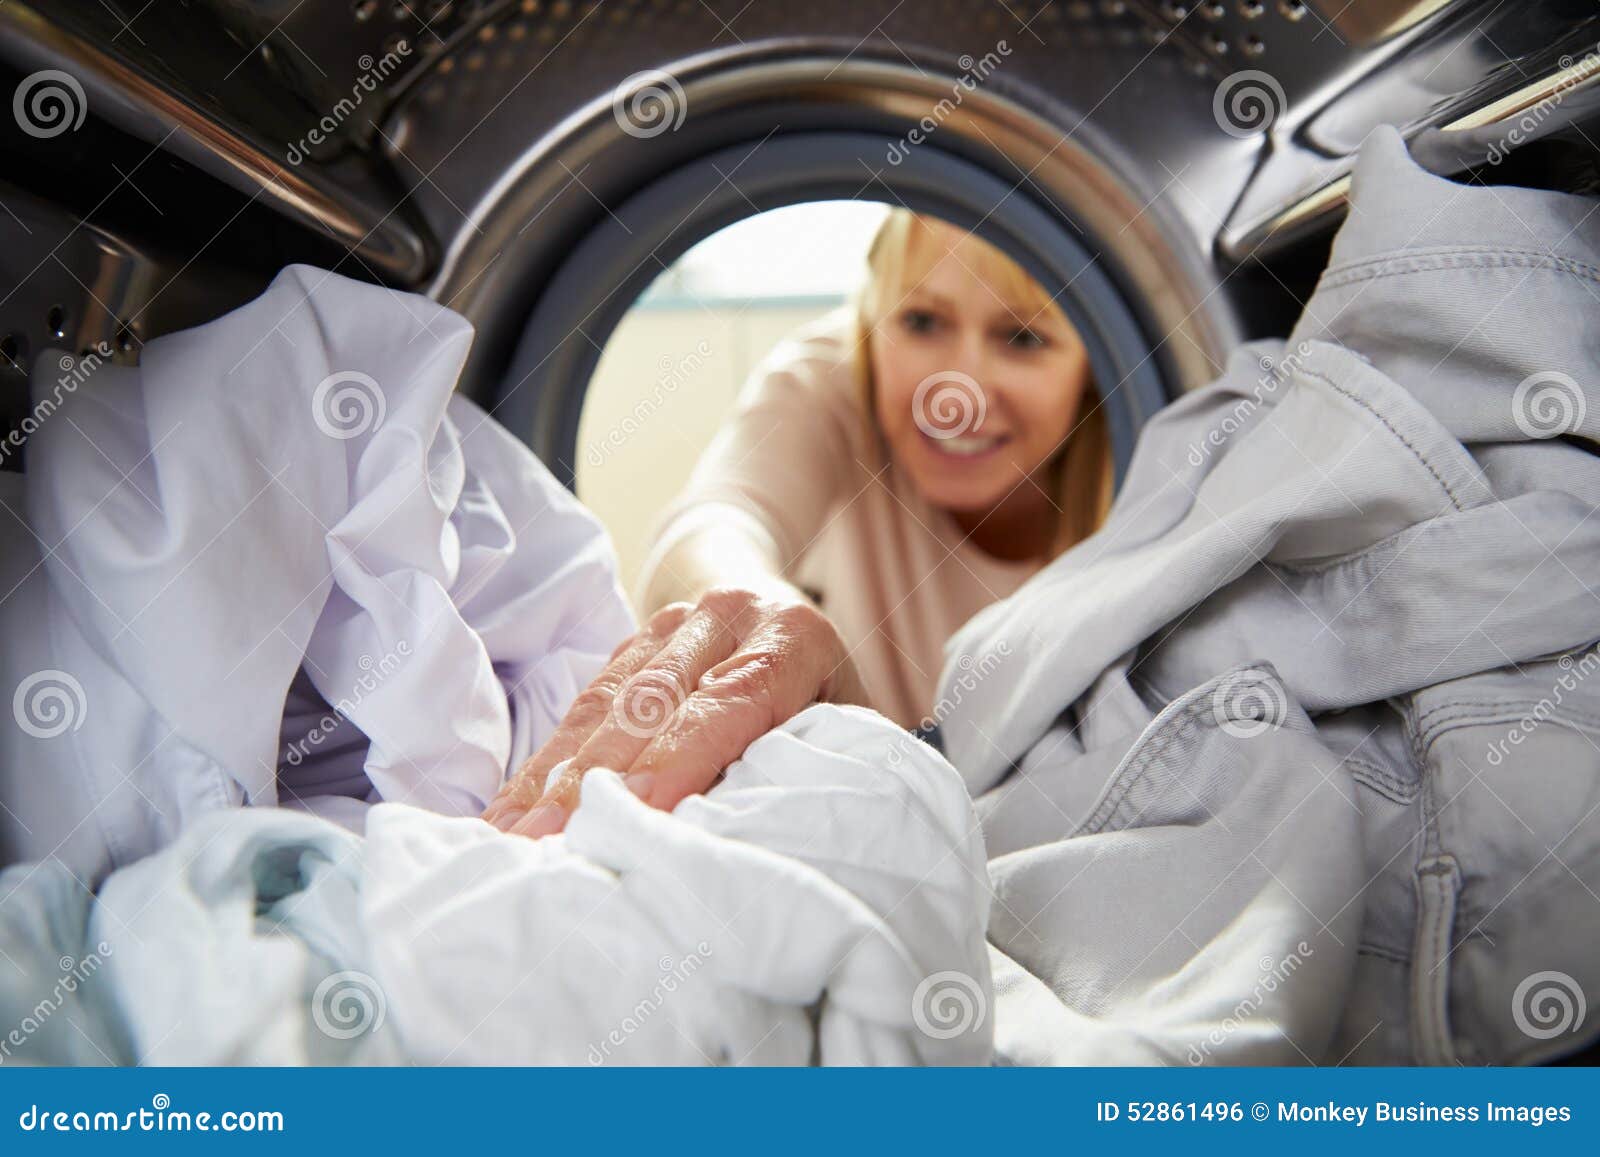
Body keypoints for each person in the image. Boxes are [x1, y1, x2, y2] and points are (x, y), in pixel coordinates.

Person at [485, 209, 1112, 837]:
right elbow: (715, 521)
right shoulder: (836, 378)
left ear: (1093, 362)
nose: (958, 390)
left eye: (1024, 338)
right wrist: (760, 616)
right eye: (921, 322)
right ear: (873, 321)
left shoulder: (1154, 456)